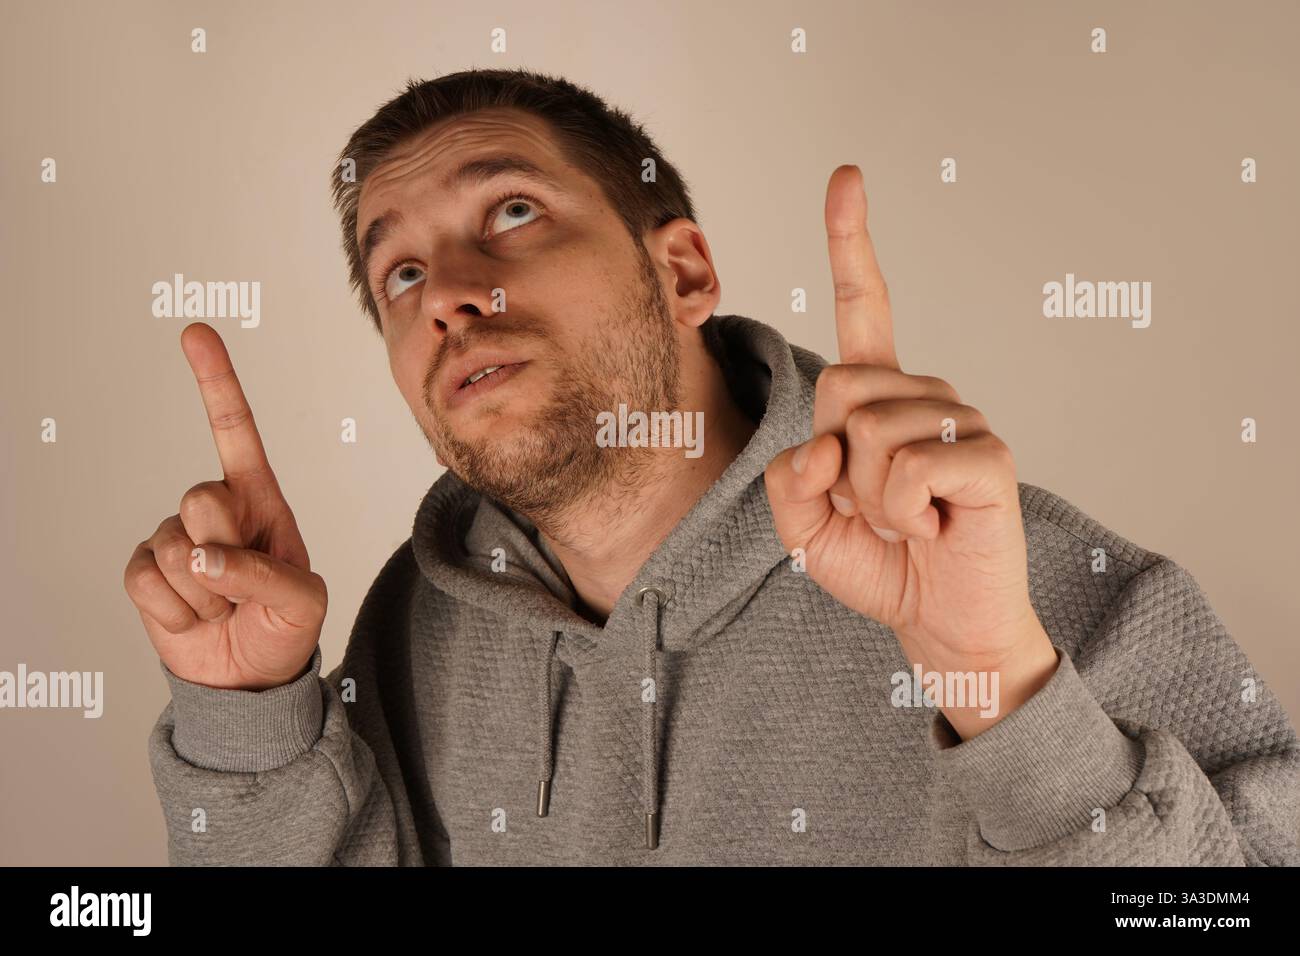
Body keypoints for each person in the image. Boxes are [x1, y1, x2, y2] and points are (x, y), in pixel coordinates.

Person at [126, 68, 1299, 865]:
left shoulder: (1024, 578)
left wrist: (998, 684)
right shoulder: (407, 626)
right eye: (399, 275)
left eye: (515, 211)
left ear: (683, 270)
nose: (450, 294)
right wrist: (248, 718)